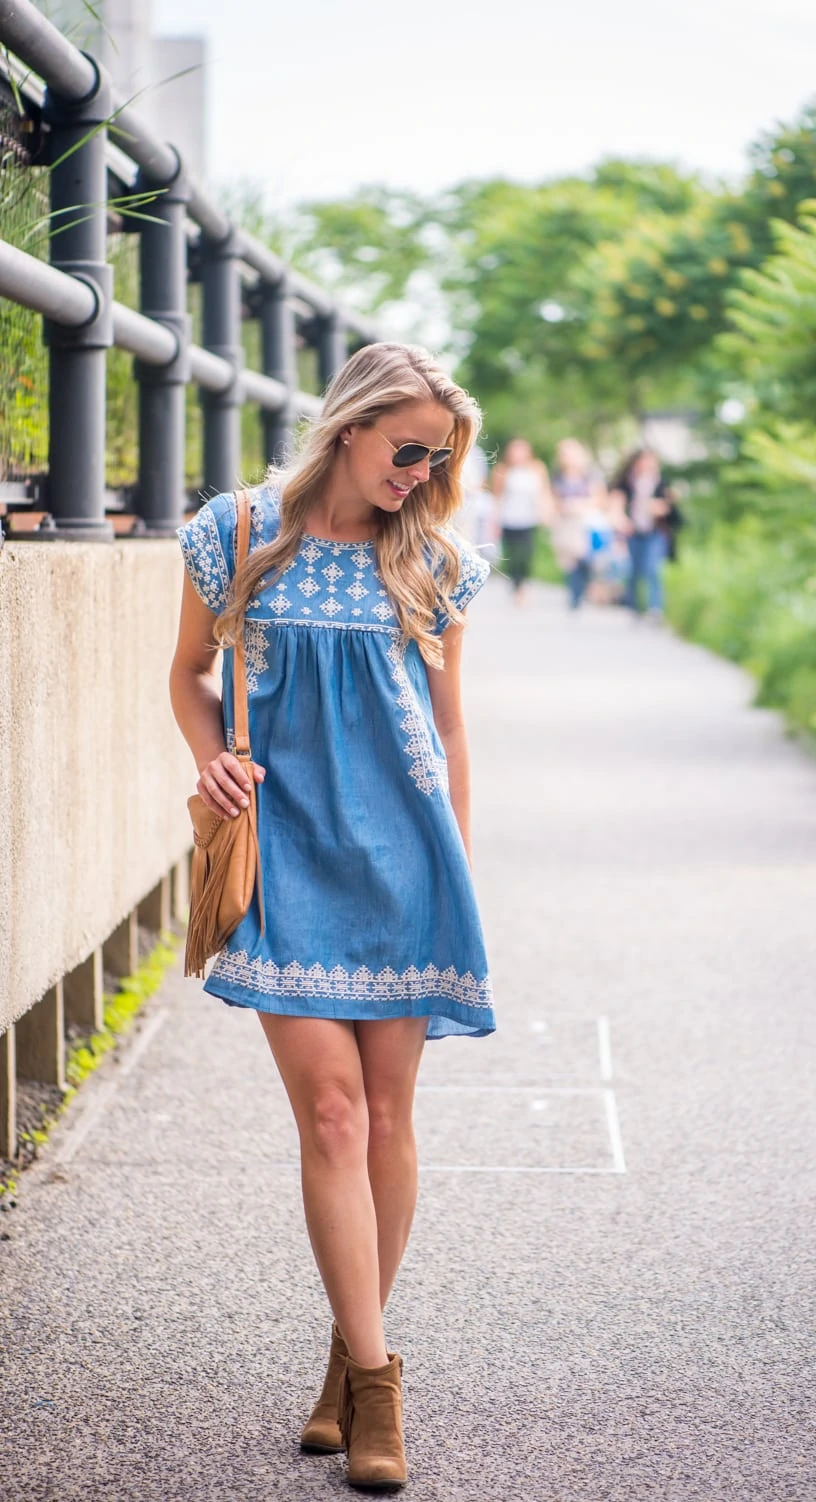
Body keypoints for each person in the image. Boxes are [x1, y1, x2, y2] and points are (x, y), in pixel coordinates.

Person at [170, 343, 496, 1493]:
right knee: (332, 1110)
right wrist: (211, 763)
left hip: (405, 857)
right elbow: (188, 678)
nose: (419, 470)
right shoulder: (240, 532)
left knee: (391, 1110)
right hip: (291, 850)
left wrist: (454, 864)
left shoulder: (436, 561)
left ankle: (346, 1356)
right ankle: (380, 1382)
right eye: (405, 447)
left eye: (437, 457)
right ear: (349, 426)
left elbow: (448, 727)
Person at [610, 448, 683, 617]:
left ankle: (655, 607)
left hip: (655, 531)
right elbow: (616, 503)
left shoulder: (662, 483)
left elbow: (671, 509)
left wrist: (661, 507)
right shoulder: (627, 482)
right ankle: (633, 607)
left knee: (653, 568)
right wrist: (622, 519)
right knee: (634, 571)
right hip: (633, 531)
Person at [490, 436, 551, 601]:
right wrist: (494, 521)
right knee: (512, 555)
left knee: (526, 553)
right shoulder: (502, 471)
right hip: (509, 519)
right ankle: (515, 584)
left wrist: (546, 513)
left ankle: (523, 583)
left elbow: (544, 492)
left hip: (529, 519)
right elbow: (497, 497)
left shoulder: (537, 469)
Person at [549, 437, 607, 610]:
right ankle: (574, 595)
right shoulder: (558, 476)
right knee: (570, 560)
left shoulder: (590, 475)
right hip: (566, 523)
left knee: (584, 558)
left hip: (585, 522)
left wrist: (581, 504)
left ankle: (582, 590)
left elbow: (600, 498)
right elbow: (554, 498)